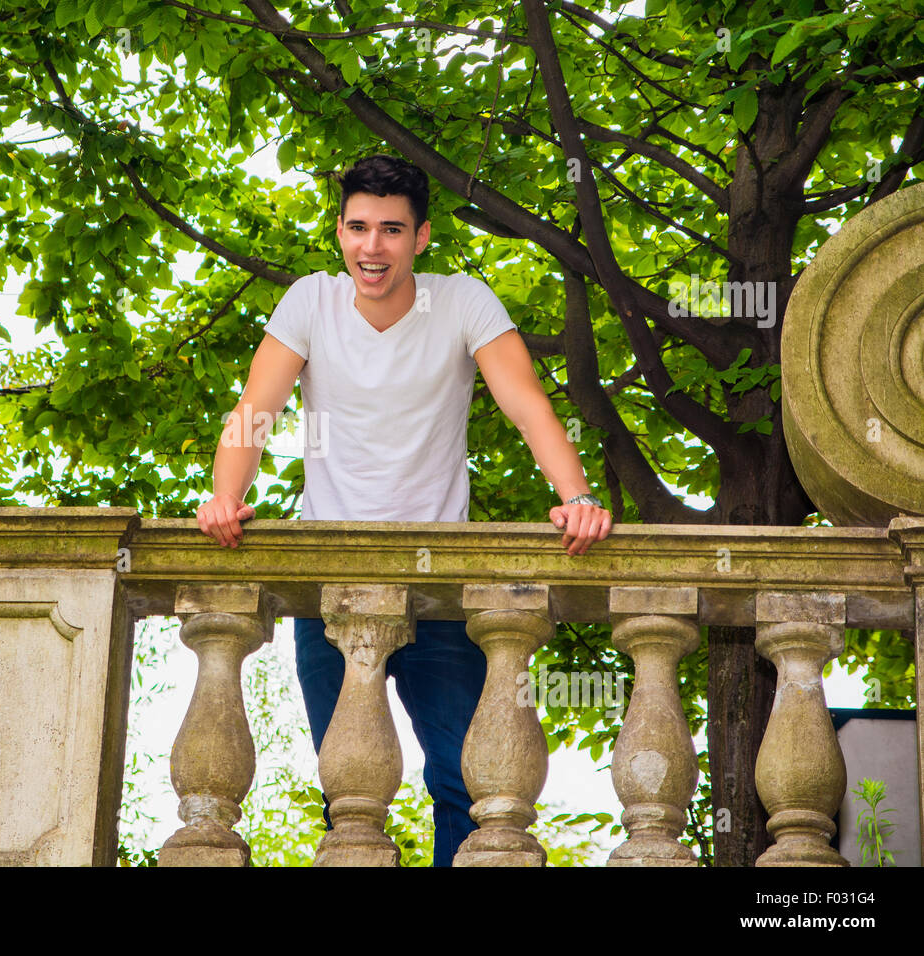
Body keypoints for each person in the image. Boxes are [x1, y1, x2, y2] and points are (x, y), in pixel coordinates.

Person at [195, 154, 612, 866]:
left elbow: (527, 405)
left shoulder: (463, 302)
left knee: (464, 782)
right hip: (330, 582)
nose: (373, 246)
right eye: (358, 227)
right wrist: (226, 496)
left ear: (420, 237)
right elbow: (254, 411)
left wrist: (576, 497)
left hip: (440, 584)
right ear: (339, 232)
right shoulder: (310, 301)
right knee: (348, 791)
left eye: (391, 229)